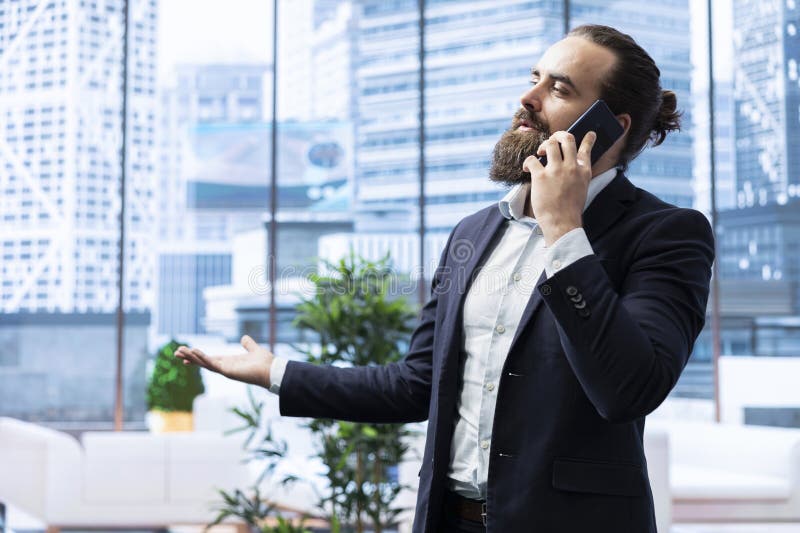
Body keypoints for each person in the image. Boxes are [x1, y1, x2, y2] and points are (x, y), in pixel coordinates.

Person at [176, 24, 715, 533]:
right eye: (534, 79)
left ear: (610, 127)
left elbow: (629, 389)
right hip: (449, 518)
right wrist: (277, 371)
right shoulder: (475, 232)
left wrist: (564, 231)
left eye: (560, 88)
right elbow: (417, 384)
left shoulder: (666, 234)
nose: (528, 99)